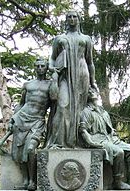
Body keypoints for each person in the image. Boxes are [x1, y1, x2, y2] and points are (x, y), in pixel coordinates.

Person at [46, 10, 97, 149]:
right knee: (63, 106)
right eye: (69, 17)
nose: (72, 19)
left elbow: (90, 62)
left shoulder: (86, 39)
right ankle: (58, 143)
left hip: (82, 74)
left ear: (79, 19)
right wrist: (51, 67)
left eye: (75, 16)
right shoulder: (59, 38)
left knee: (79, 109)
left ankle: (77, 142)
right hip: (64, 75)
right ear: (66, 20)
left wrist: (93, 82)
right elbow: (52, 57)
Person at [6, 57, 57, 191]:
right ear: (35, 67)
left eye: (43, 66)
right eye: (38, 66)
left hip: (37, 121)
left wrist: (55, 76)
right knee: (20, 151)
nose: (40, 68)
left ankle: (33, 180)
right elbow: (21, 104)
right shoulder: (28, 84)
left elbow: (54, 100)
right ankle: (26, 180)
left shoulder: (50, 84)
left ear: (46, 68)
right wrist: (12, 119)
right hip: (21, 118)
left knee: (30, 149)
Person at [79, 90, 130, 190]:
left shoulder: (103, 112)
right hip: (98, 139)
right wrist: (90, 142)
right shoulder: (86, 112)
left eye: (94, 91)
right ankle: (118, 181)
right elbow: (83, 130)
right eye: (89, 91)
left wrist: (114, 134)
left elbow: (110, 128)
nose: (92, 92)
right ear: (86, 96)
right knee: (118, 152)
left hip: (111, 138)